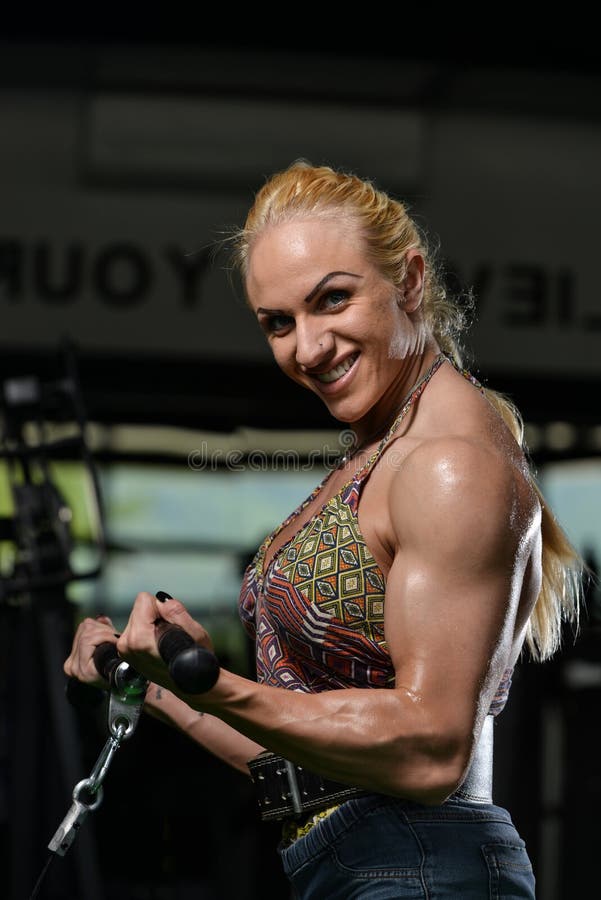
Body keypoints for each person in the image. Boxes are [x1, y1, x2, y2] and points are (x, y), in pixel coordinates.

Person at [65, 160, 583, 898]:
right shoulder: (382, 452)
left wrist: (214, 684)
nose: (306, 349)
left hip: (422, 869)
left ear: (407, 281)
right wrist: (157, 685)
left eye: (331, 300)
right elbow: (303, 756)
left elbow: (430, 750)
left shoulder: (446, 466)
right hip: (361, 864)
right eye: (278, 323)